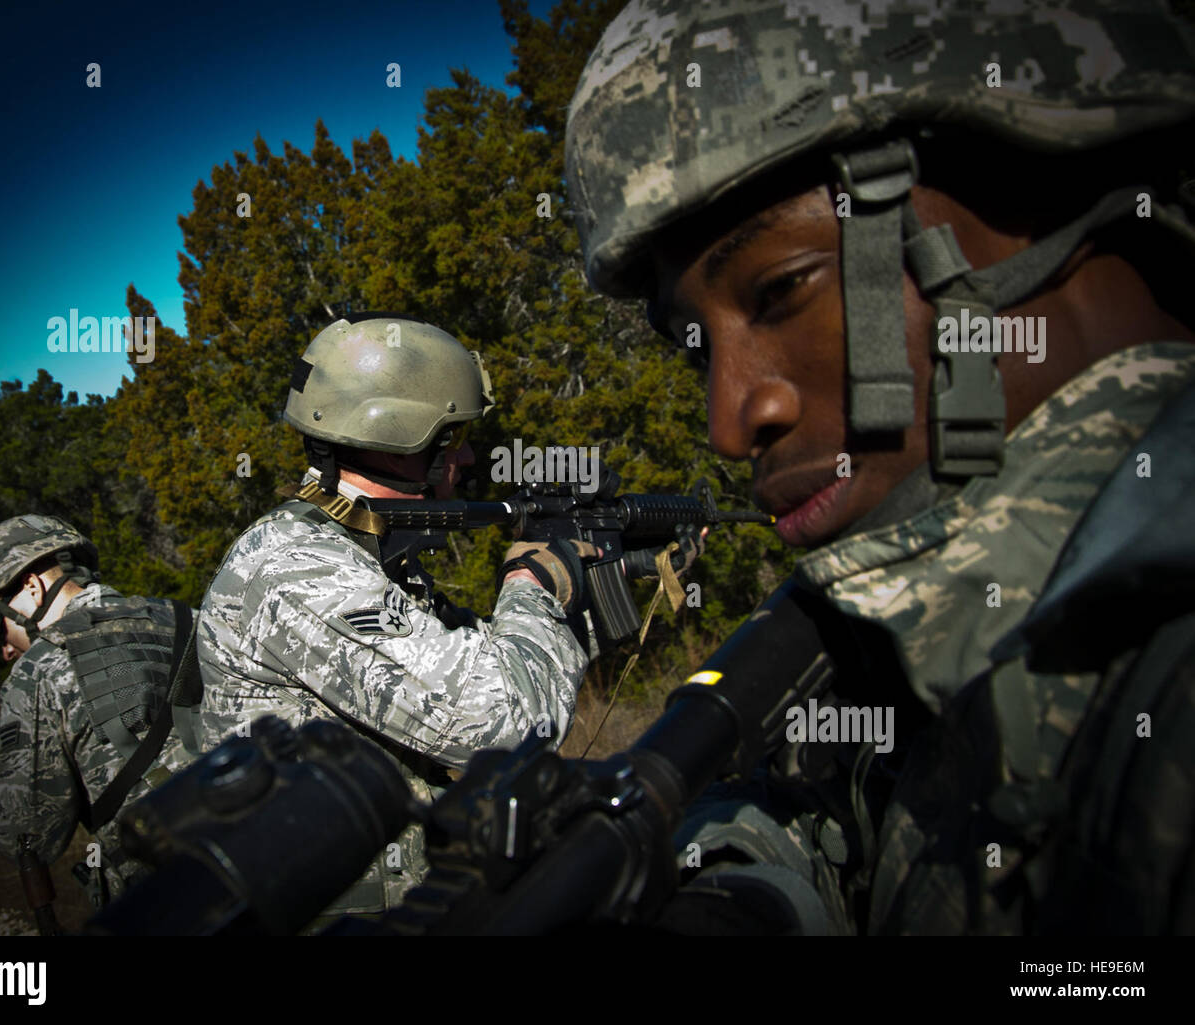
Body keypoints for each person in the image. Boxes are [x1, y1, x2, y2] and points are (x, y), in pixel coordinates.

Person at [564, 0, 1195, 933]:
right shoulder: (977, 624)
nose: (734, 421)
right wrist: (747, 891)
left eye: (781, 290)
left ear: (1034, 200)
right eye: (697, 351)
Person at [196, 312, 609, 914]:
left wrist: (598, 580)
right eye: (454, 439)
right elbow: (508, 722)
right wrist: (532, 583)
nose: (465, 460)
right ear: (406, 437)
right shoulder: (300, 571)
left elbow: (495, 660)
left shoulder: (357, 549)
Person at [0, 514, 196, 914]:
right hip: (268, 861)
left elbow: (28, 835)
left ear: (33, 587)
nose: (4, 649)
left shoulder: (39, 669)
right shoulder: (192, 618)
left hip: (170, 902)